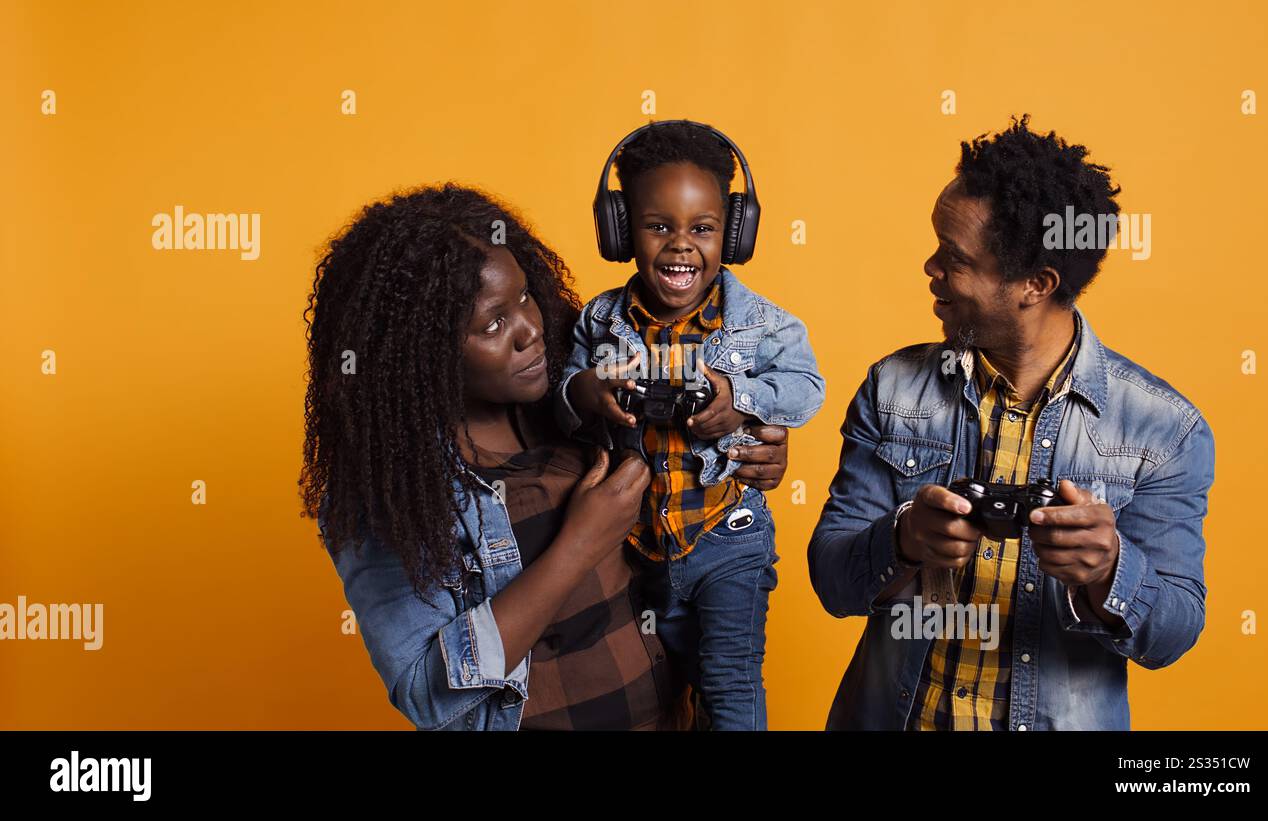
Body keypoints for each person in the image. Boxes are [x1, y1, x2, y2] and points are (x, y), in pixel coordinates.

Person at [299, 183, 791, 731]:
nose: (530, 330)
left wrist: (747, 439)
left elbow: (700, 445)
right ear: (421, 351)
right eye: (492, 324)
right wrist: (579, 545)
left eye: (525, 296)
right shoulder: (393, 487)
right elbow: (424, 692)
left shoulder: (584, 386)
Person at [808, 115, 1214, 731]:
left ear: (1035, 284)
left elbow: (1173, 634)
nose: (930, 269)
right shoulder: (892, 389)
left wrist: (1110, 569)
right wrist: (905, 538)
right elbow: (832, 582)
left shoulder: (1164, 430)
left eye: (954, 258)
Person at [560, 121, 825, 729]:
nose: (682, 246)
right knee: (650, 694)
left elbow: (808, 389)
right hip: (630, 547)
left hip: (725, 536)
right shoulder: (599, 320)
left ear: (732, 234)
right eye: (659, 227)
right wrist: (589, 390)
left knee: (729, 686)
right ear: (621, 228)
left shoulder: (763, 323)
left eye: (703, 229)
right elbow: (561, 396)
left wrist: (742, 398)